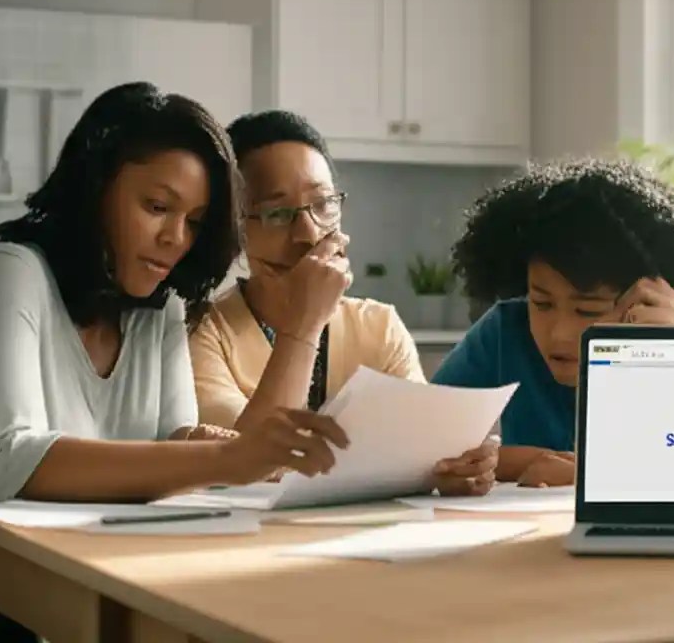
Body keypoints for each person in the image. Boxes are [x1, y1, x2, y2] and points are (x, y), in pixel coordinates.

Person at [0, 84, 348, 637]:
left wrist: (220, 447)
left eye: (194, 221)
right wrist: (228, 460)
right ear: (96, 190)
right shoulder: (10, 273)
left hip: (22, 589)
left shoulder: (161, 306)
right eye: (157, 207)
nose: (175, 239)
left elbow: (172, 444)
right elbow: (13, 460)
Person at [190, 111, 497, 496]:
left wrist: (453, 468)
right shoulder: (203, 331)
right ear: (233, 228)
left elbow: (422, 452)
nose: (307, 234)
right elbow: (245, 461)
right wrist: (304, 324)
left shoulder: (379, 326)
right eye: (276, 213)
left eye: (322, 204)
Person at [431, 158, 674, 487]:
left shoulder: (673, 348)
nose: (559, 333)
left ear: (644, 301)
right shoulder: (506, 330)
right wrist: (520, 462)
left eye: (588, 310)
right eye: (542, 303)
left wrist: (672, 355)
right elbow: (422, 443)